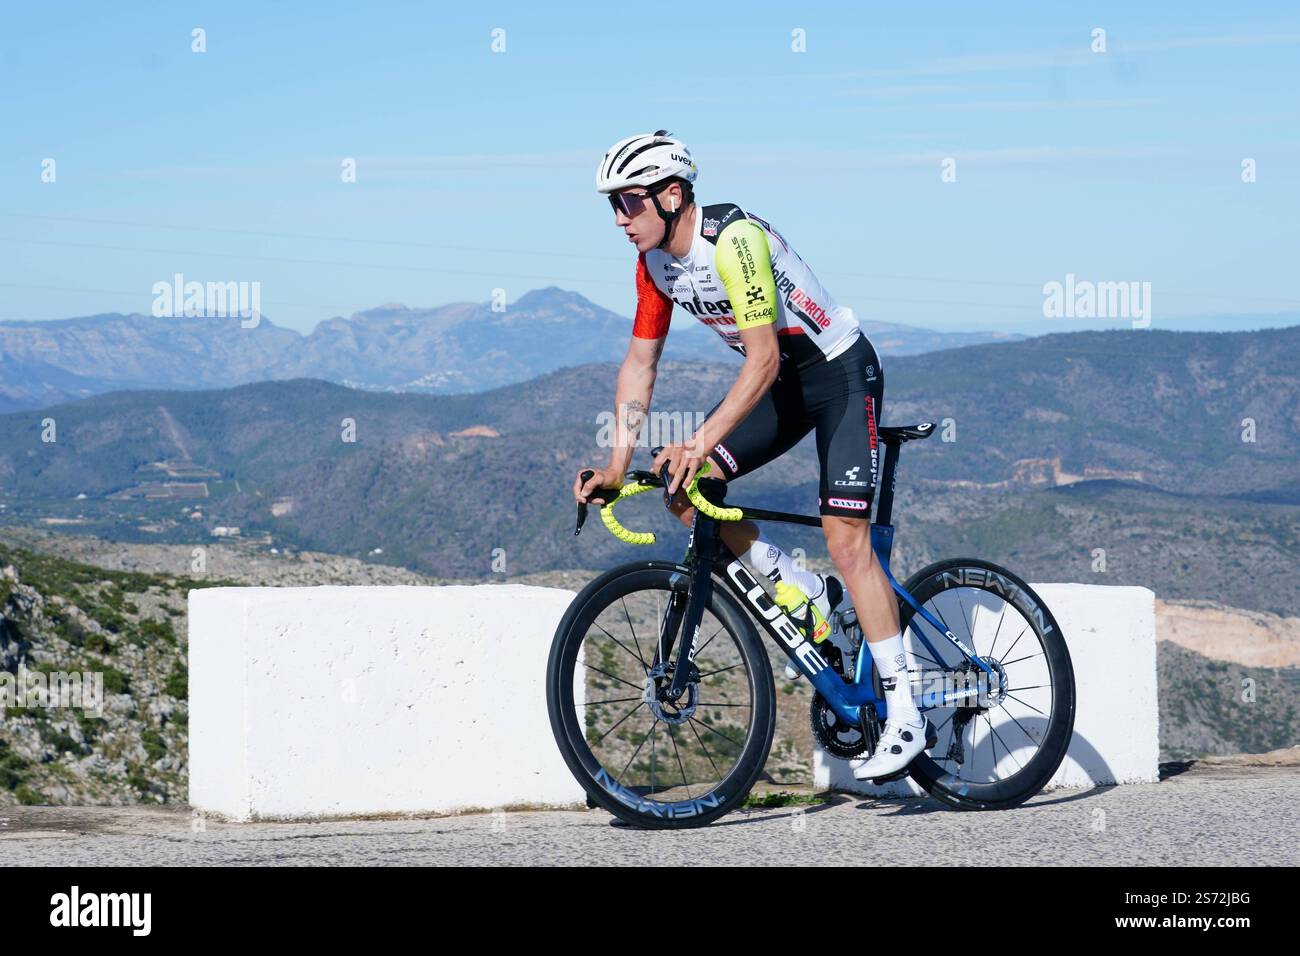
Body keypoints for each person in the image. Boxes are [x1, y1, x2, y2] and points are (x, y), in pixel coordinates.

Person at [573, 130, 924, 780]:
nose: (620, 219)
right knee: (685, 490)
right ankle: (804, 592)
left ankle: (907, 710)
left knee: (848, 543)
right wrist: (618, 464)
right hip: (781, 388)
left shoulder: (733, 241)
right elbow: (640, 363)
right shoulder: (654, 265)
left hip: (839, 376)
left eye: (630, 203)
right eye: (612, 206)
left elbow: (762, 357)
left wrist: (699, 440)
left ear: (672, 195)